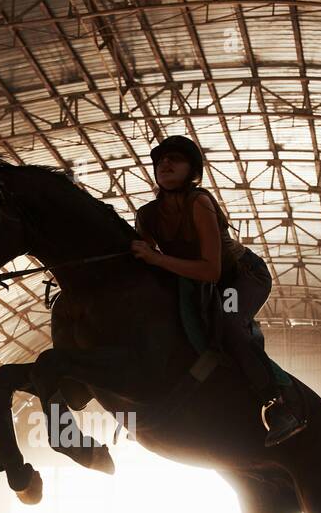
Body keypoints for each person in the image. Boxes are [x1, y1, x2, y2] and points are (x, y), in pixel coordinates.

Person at [130, 134, 306, 445]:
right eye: (161, 160)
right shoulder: (146, 215)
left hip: (239, 278)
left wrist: (156, 258)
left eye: (176, 159)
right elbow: (145, 266)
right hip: (197, 284)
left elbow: (210, 268)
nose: (166, 163)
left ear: (192, 172)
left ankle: (277, 405)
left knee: (227, 322)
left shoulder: (199, 202)